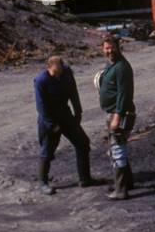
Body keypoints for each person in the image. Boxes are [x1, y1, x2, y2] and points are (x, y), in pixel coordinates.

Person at [33, 55, 93, 195]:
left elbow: (73, 93)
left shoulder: (67, 73)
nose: (57, 75)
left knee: (83, 143)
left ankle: (85, 178)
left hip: (65, 115)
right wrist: (51, 125)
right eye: (55, 72)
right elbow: (41, 106)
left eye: (59, 71)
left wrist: (78, 112)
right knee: (47, 150)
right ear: (48, 68)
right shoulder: (41, 80)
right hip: (49, 119)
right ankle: (43, 182)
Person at [98, 34, 136, 200]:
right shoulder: (112, 64)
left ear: (118, 47)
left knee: (117, 150)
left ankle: (121, 190)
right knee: (118, 148)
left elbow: (123, 94)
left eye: (112, 47)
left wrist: (117, 117)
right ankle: (128, 182)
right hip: (114, 112)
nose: (109, 51)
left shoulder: (121, 67)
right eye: (106, 48)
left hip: (121, 113)